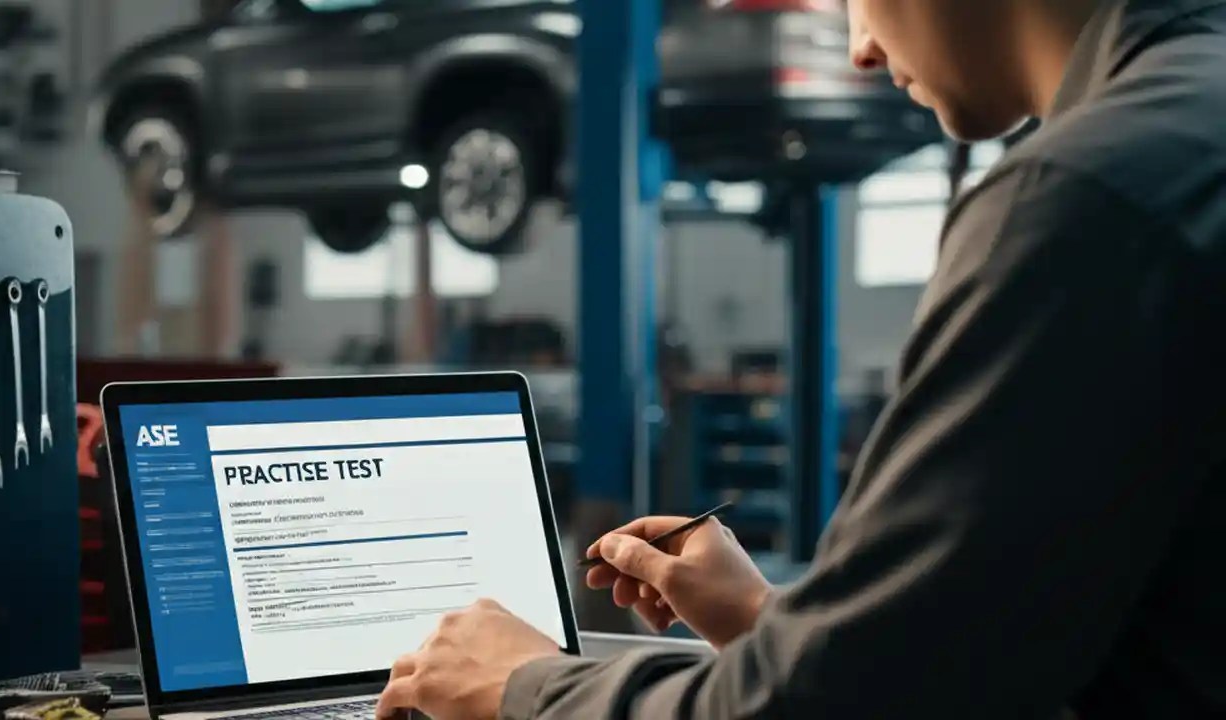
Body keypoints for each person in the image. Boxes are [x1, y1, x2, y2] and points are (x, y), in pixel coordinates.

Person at [374, 0, 1226, 717]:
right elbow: (999, 651)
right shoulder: (1189, 127)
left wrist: (523, 686)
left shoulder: (1085, 202)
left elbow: (833, 711)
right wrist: (773, 621)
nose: (859, 45)